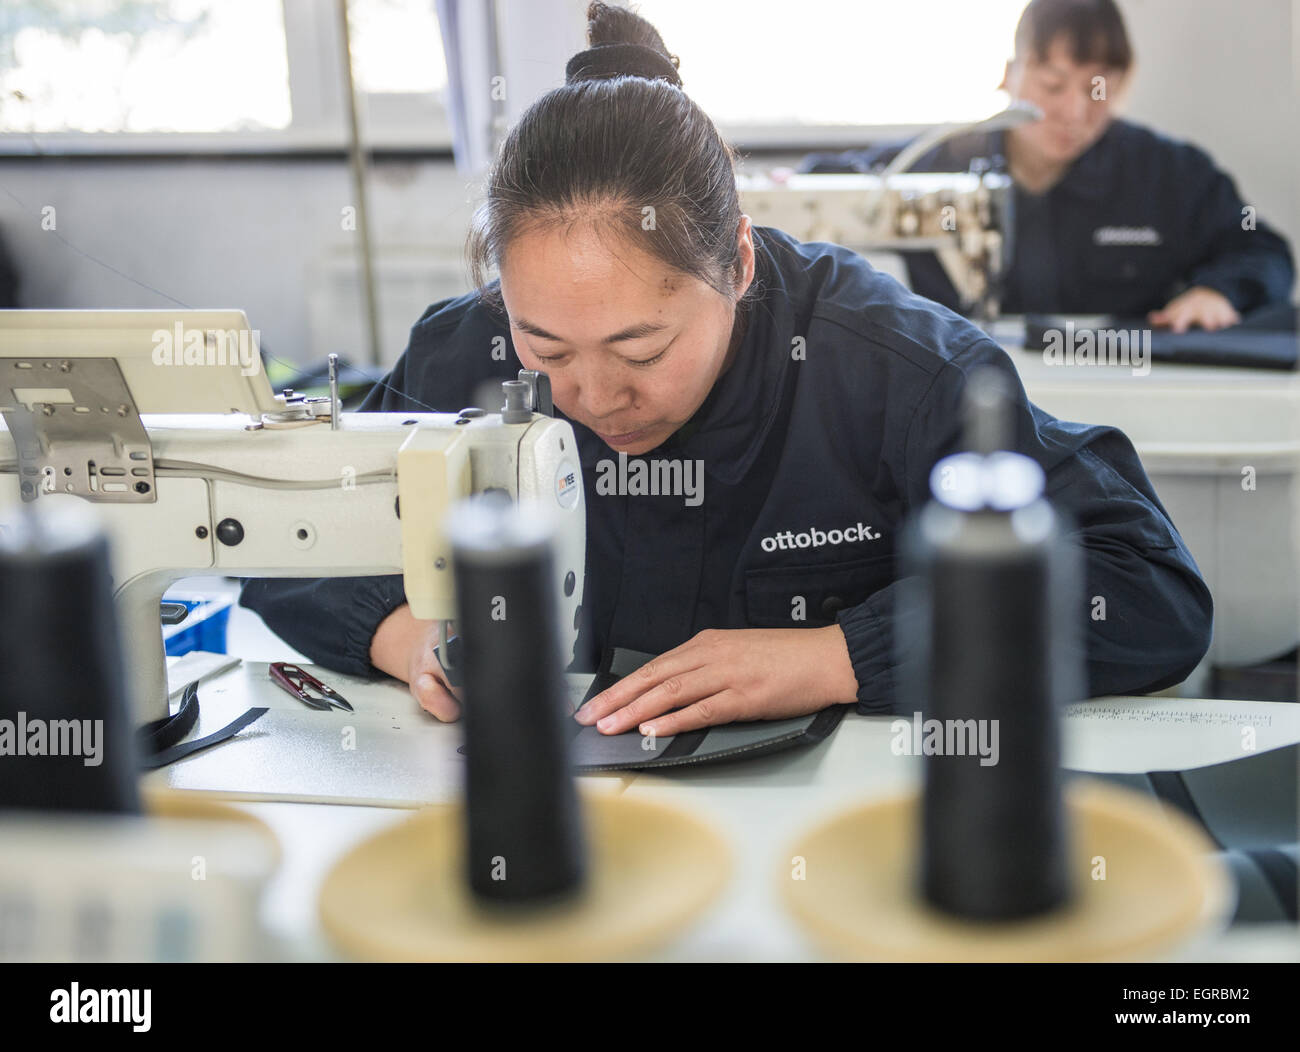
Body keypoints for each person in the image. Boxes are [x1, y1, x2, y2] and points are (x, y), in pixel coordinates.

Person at [241, 2, 1213, 737]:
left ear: (738, 264)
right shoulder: (467, 348)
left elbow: (1146, 588)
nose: (592, 397)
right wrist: (404, 636)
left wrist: (840, 655)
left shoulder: (891, 366)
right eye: (548, 349)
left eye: (642, 348)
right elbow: (277, 527)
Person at [799, 0, 1294, 328]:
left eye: (1097, 88)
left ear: (1122, 84)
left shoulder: (1168, 175)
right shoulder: (937, 159)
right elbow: (816, 191)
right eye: (1053, 85)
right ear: (1009, 75)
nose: (1073, 113)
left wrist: (1218, 293)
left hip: (1126, 393)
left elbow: (1261, 250)